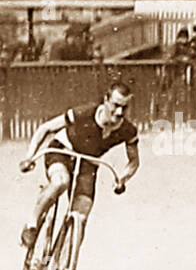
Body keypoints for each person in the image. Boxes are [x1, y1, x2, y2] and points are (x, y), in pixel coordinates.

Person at [18, 82, 140, 247]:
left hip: (87, 163)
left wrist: (122, 179)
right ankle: (31, 225)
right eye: (116, 105)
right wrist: (29, 157)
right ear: (106, 100)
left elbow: (134, 161)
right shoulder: (85, 113)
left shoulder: (128, 130)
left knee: (81, 215)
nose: (119, 112)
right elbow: (46, 128)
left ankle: (62, 266)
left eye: (124, 107)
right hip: (63, 151)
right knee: (61, 182)